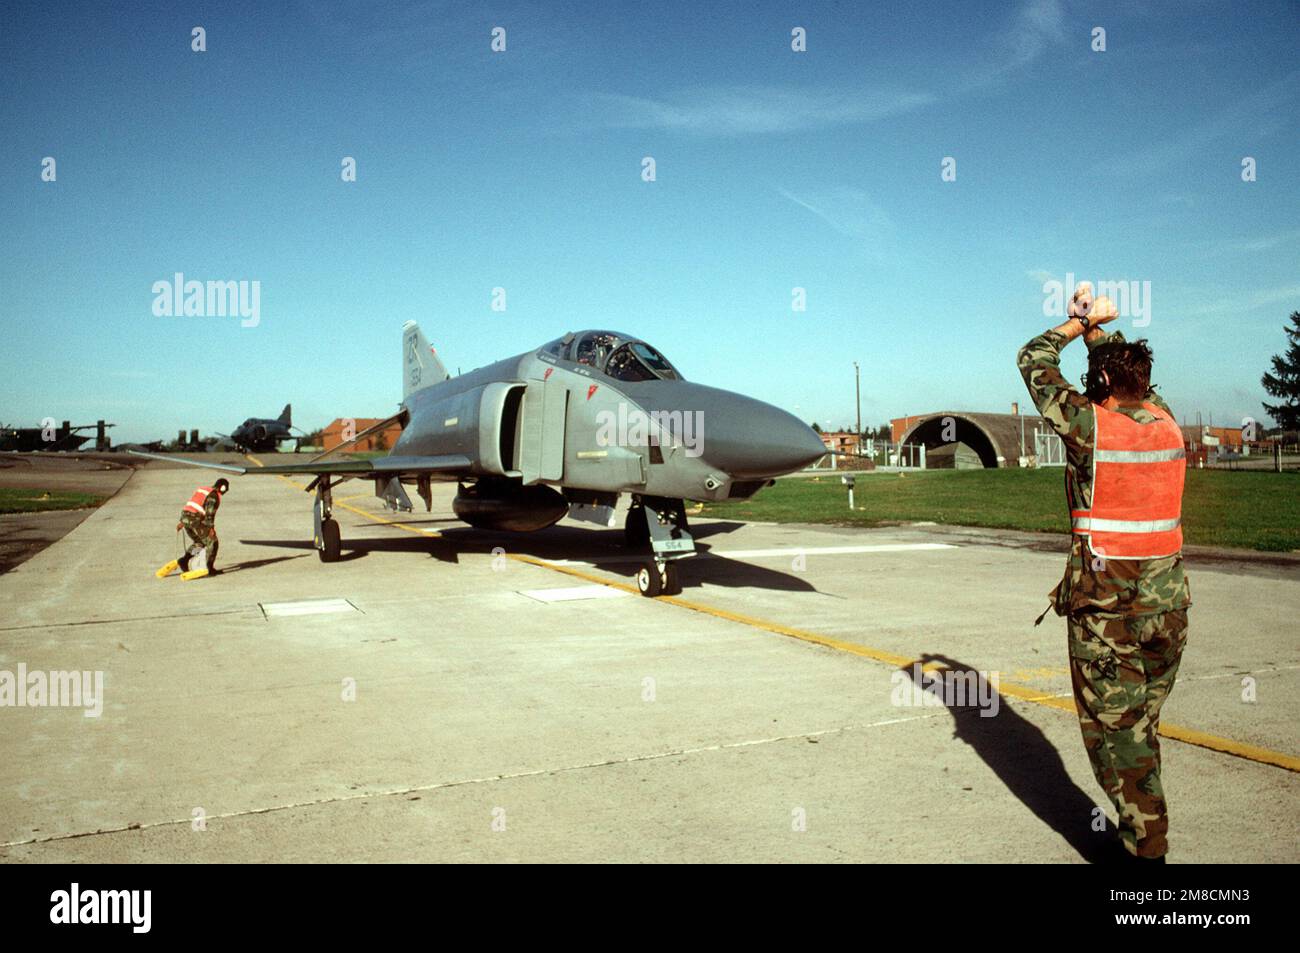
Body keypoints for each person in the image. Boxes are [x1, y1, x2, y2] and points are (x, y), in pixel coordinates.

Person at [1017, 281, 1190, 863]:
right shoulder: (1165, 422)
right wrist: (1102, 330)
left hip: (1105, 614)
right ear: (1143, 380)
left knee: (1120, 742)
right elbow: (1126, 378)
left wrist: (1070, 324)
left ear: (1100, 382)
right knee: (1140, 729)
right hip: (1167, 611)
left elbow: (1031, 360)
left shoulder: (1090, 426)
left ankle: (1148, 865)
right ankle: (1148, 838)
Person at [156, 478, 229, 579]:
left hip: (186, 518)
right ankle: (209, 568)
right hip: (195, 520)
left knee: (200, 542)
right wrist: (211, 529)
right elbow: (210, 514)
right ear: (223, 488)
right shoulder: (213, 496)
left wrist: (182, 522)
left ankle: (184, 560)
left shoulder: (203, 489)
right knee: (213, 542)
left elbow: (192, 504)